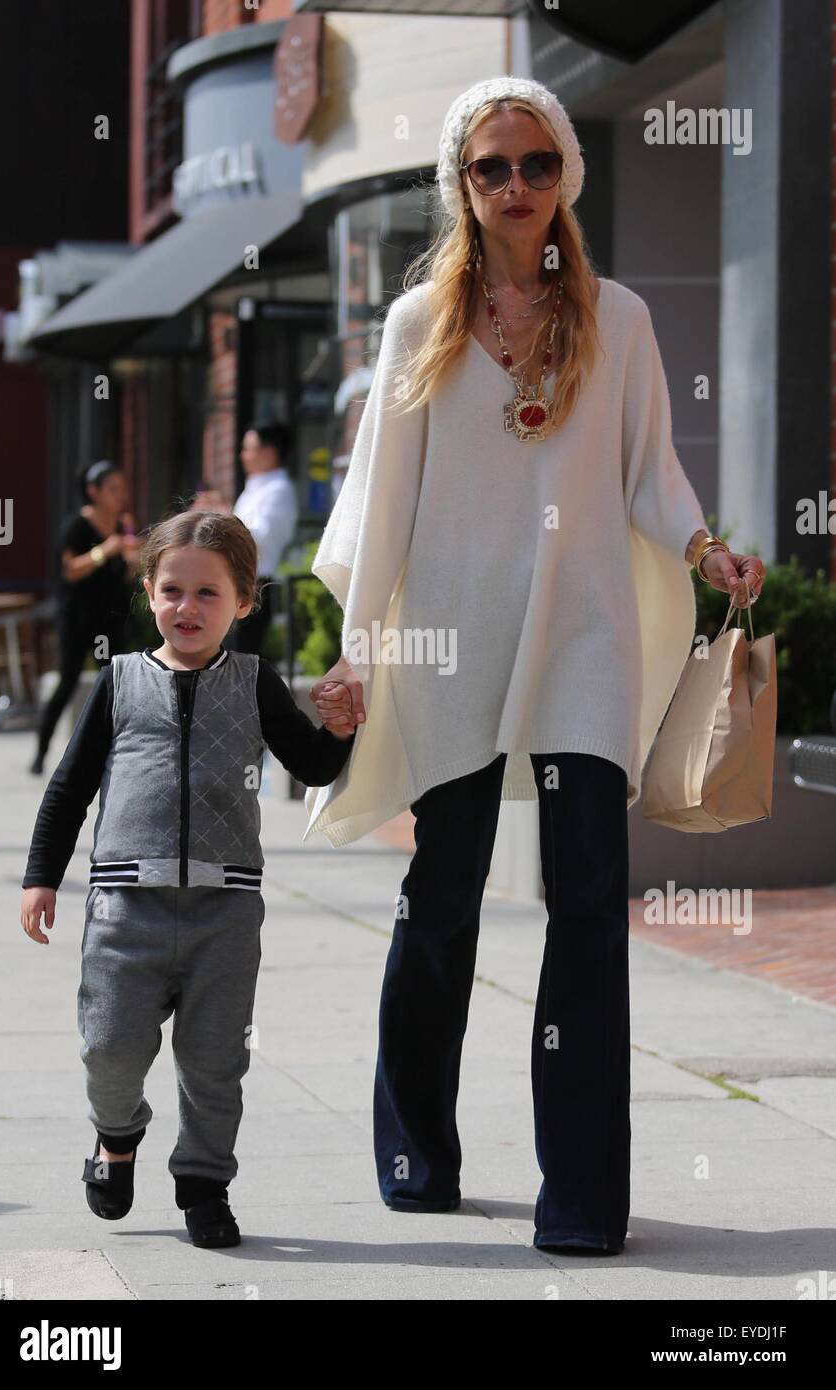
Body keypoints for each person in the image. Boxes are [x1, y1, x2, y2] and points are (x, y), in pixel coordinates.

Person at [304, 77, 767, 1255]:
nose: (514, 188)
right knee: (441, 899)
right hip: (450, 638)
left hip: (582, 640)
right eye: (488, 169)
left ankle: (581, 1198)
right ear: (459, 186)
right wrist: (359, 653)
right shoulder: (420, 323)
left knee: (588, 908)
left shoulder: (618, 319)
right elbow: (384, 500)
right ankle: (416, 1148)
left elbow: (648, 475)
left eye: (535, 165)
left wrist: (705, 549)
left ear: (565, 172)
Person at [19, 511, 355, 1249]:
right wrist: (41, 876)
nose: (187, 607)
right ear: (148, 592)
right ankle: (116, 1138)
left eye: (209, 593)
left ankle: (204, 1186)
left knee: (214, 1064)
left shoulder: (257, 684)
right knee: (108, 1047)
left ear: (243, 601)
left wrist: (338, 728)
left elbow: (314, 767)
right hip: (123, 912)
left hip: (224, 913)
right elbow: (69, 789)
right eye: (172, 590)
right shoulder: (120, 682)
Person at [30, 460, 141, 775]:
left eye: (123, 488)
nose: (121, 495)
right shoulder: (77, 527)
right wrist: (104, 551)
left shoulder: (122, 526)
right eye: (113, 488)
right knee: (68, 681)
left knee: (117, 680)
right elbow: (71, 570)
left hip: (110, 618)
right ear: (94, 492)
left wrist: (131, 559)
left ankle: (118, 752)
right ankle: (41, 750)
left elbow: (121, 576)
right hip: (78, 619)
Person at [230, 423, 299, 657]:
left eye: (249, 449)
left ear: (269, 453)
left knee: (244, 656)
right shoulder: (256, 487)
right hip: (242, 579)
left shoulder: (279, 489)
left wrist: (222, 515)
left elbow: (260, 536)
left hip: (258, 582)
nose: (243, 456)